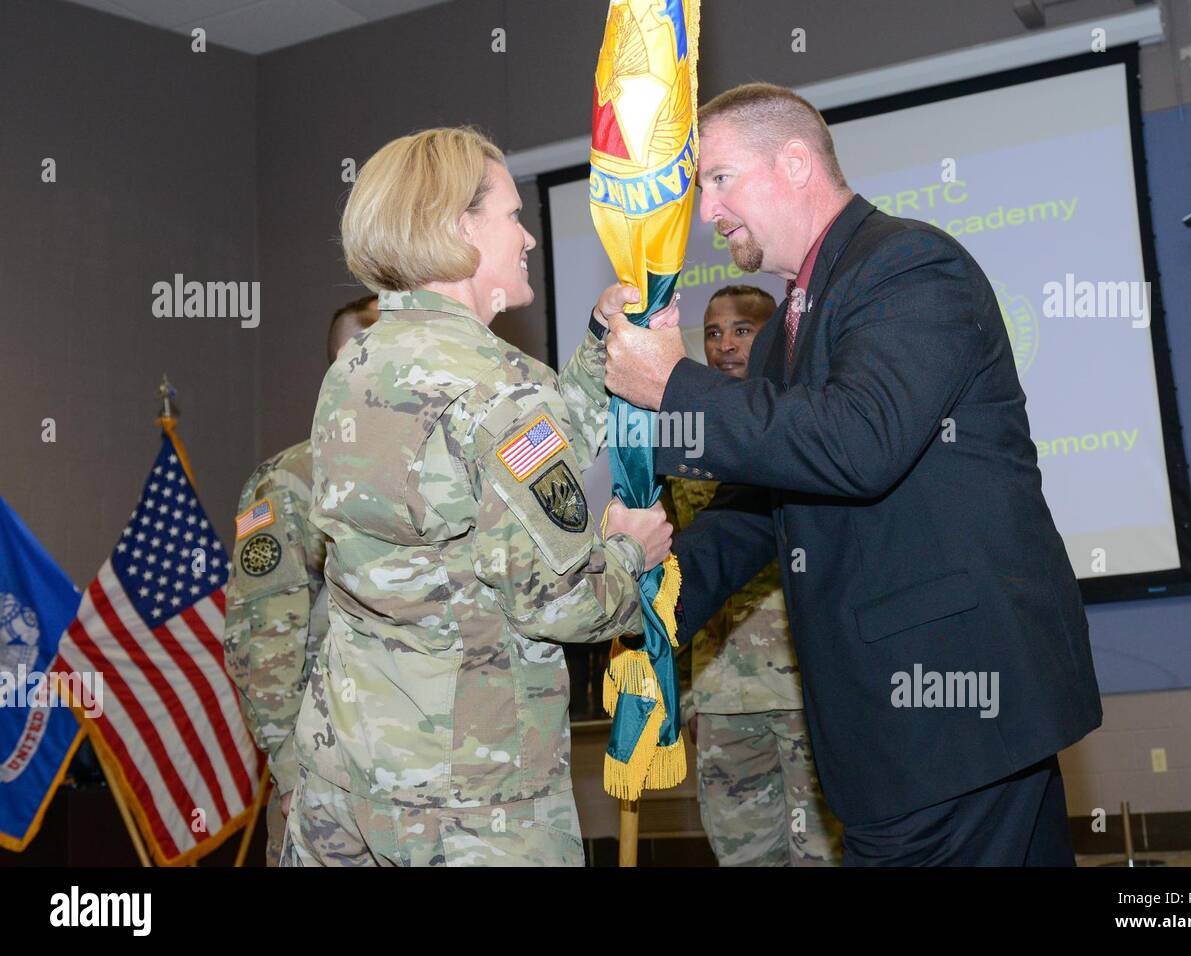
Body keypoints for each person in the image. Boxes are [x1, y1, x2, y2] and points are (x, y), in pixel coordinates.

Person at [604, 83, 1102, 866]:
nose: (708, 211)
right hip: (908, 724)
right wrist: (654, 604)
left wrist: (670, 383)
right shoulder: (785, 333)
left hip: (952, 706)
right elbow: (752, 510)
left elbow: (860, 443)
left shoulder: (907, 264)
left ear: (796, 163)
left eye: (720, 178)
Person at [282, 127, 674, 867]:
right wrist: (632, 552)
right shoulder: (502, 385)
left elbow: (500, 482)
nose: (527, 238)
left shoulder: (357, 366)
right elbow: (562, 602)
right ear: (462, 229)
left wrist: (597, 349)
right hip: (475, 799)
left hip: (348, 772)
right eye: (512, 216)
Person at [664, 285, 841, 867]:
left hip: (802, 685)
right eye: (713, 332)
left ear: (777, 337)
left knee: (823, 852)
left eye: (743, 330)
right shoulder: (684, 432)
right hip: (721, 690)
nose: (724, 345)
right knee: (744, 857)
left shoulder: (804, 421)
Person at [222, 294, 378, 866]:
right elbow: (262, 641)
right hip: (326, 782)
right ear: (349, 363)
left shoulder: (426, 474)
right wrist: (292, 776)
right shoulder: (292, 482)